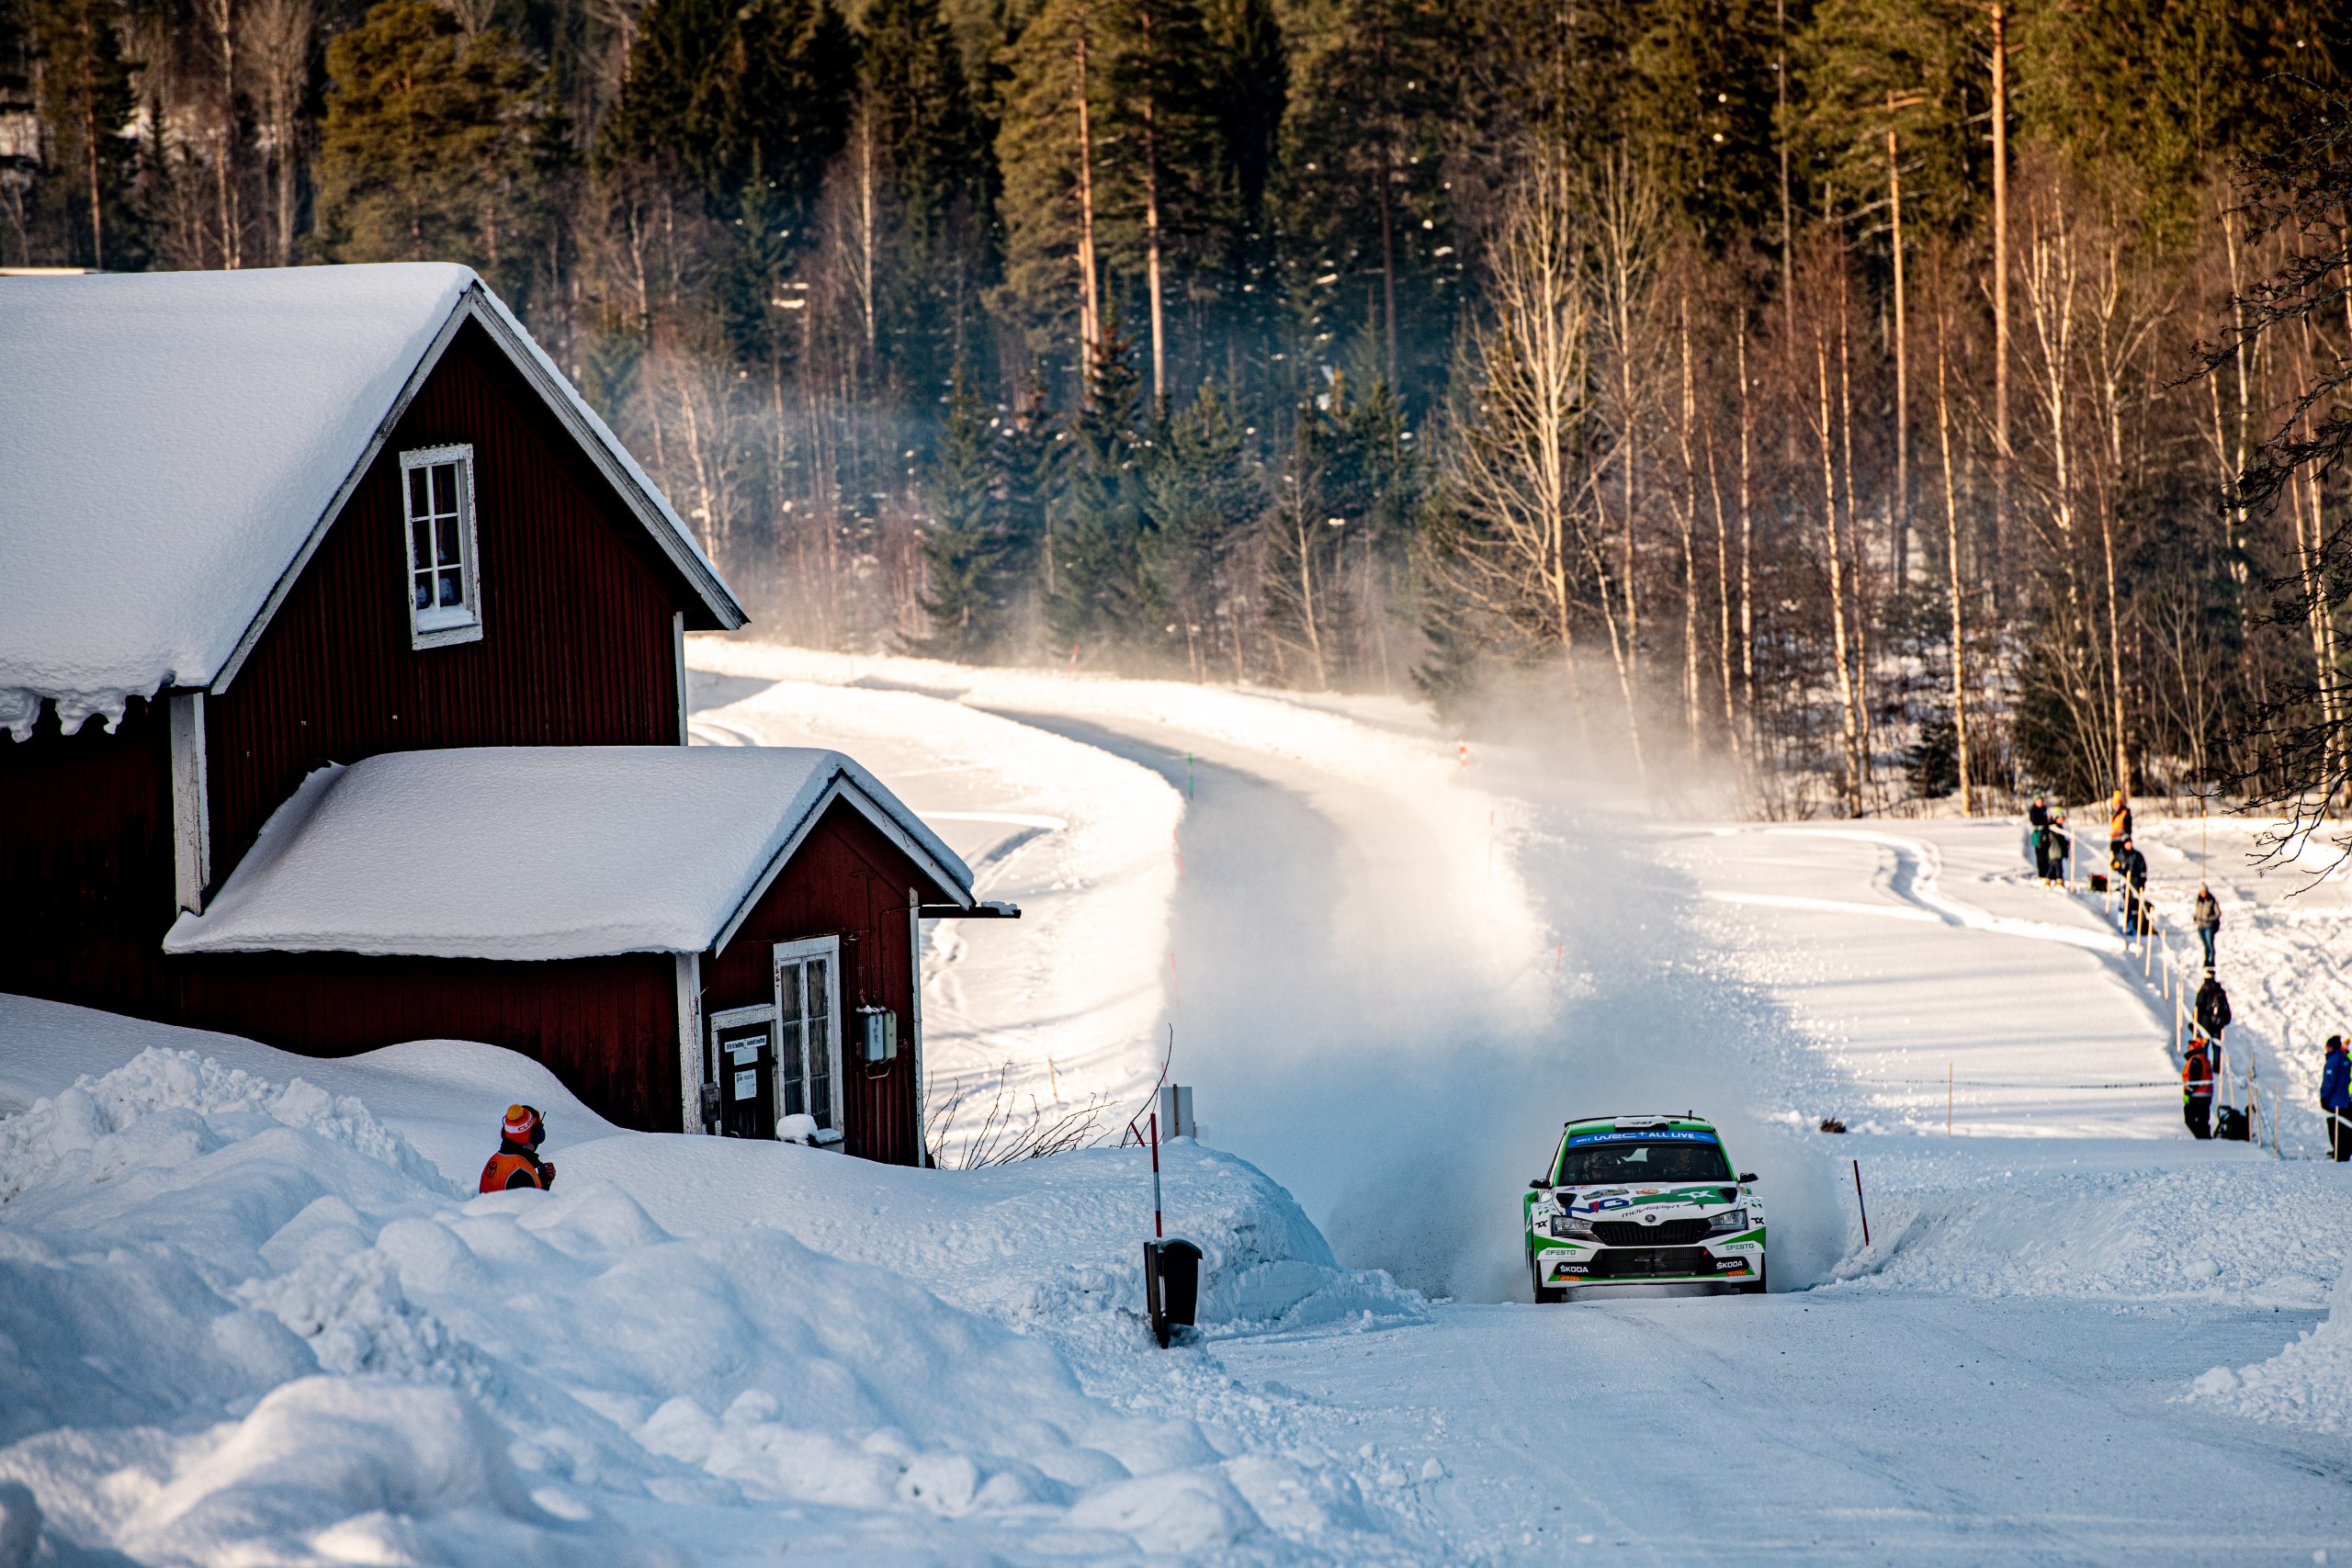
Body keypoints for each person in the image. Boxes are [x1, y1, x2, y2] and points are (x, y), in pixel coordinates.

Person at [479, 1103, 558, 1192]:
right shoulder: (521, 1172)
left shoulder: (496, 1160)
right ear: (537, 1134)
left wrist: (543, 1183)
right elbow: (534, 1206)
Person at [2324, 1036, 2351, 1162]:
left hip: (2335, 1099)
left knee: (2335, 1125)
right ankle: (2343, 1151)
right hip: (2345, 1098)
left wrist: (2324, 1097)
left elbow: (2329, 1081)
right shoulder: (2345, 1059)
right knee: (2344, 1126)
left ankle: (2340, 1152)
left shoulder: (2334, 1060)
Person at [2181, 1037, 2214, 1140]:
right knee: (2203, 1120)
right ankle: (2205, 1138)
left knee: (2190, 1119)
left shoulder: (2195, 1060)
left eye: (2189, 1047)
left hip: (2197, 1095)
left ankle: (2201, 1138)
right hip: (2207, 1095)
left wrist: (2188, 1092)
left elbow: (2194, 1078)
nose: (2187, 1049)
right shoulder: (2205, 1059)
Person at [2118, 838, 2151, 935]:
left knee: (2132, 904)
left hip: (2134, 884)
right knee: (2123, 904)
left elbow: (2143, 870)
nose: (2128, 845)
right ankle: (2123, 924)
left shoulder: (2137, 855)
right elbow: (2114, 866)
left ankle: (2131, 924)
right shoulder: (2121, 855)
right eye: (2126, 844)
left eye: (2129, 843)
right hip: (2124, 884)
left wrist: (2142, 883)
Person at [2195, 970, 2233, 1042]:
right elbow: (2226, 1007)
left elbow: (2198, 1007)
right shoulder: (2220, 991)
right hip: (2217, 1025)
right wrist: (2225, 1020)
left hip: (2205, 1025)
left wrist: (2194, 1022)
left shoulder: (2204, 990)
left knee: (2203, 1048)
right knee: (2217, 1049)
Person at [2193, 885, 2221, 967]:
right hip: (2200, 926)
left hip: (2209, 926)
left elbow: (2218, 913)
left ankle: (2211, 961)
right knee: (2205, 944)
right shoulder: (2199, 901)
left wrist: (2209, 919)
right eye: (2202, 892)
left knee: (2210, 944)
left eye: (2204, 892)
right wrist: (2196, 918)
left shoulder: (2212, 901)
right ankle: (2206, 960)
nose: (2203, 894)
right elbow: (2198, 911)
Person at [2028, 795, 2053, 882]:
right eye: (2039, 800)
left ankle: (2047, 873)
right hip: (2038, 835)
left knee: (2047, 855)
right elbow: (2035, 821)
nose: (2041, 802)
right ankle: (2041, 874)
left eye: (2041, 800)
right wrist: (2045, 821)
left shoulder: (2044, 809)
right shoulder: (2033, 810)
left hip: (2045, 834)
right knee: (2040, 855)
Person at [2108, 790, 2133, 871]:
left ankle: (2124, 880)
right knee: (2115, 865)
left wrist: (2127, 840)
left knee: (2122, 864)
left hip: (2122, 843)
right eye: (2114, 804)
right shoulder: (2113, 815)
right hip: (2114, 843)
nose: (2115, 805)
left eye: (2117, 803)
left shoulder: (2125, 813)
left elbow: (2128, 829)